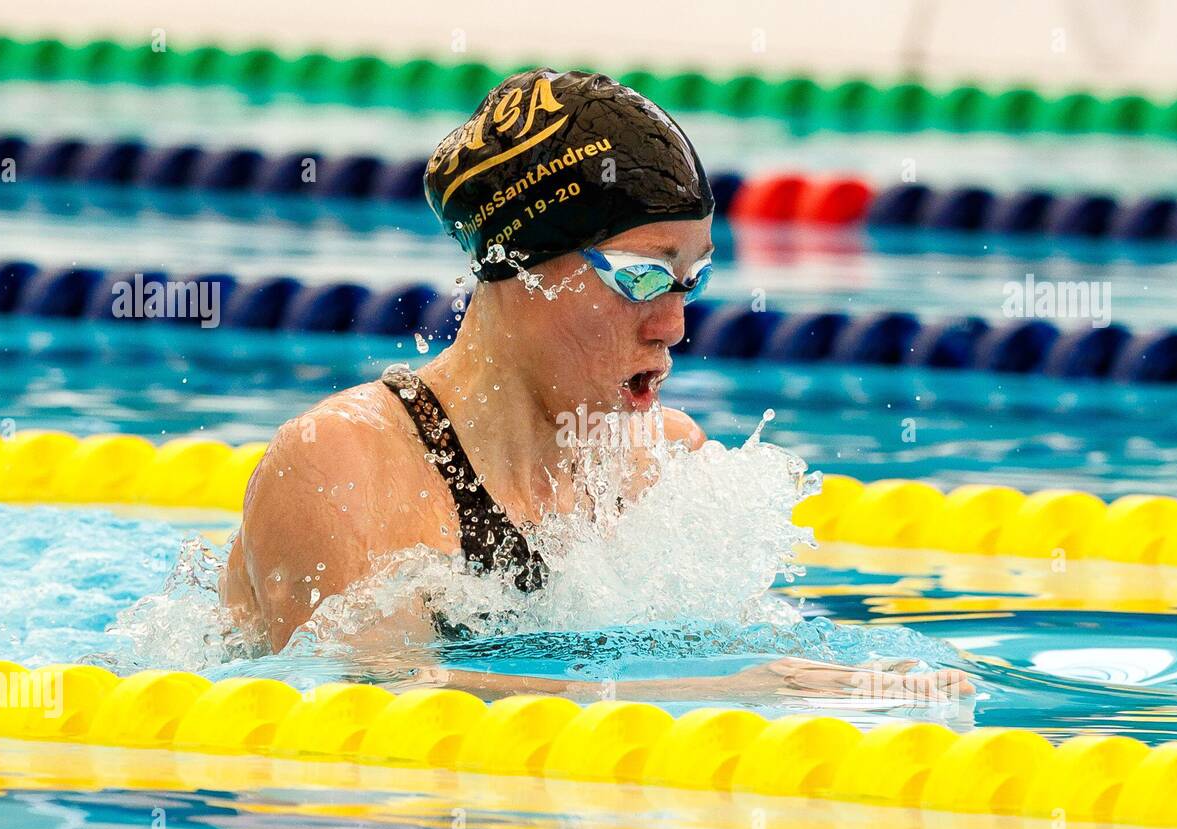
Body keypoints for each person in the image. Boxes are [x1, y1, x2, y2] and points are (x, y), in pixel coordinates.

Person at [221, 68, 971, 703]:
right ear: (521, 266)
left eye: (691, 279)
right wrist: (733, 689)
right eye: (641, 276)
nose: (673, 326)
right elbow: (361, 719)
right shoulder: (344, 466)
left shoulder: (662, 463)